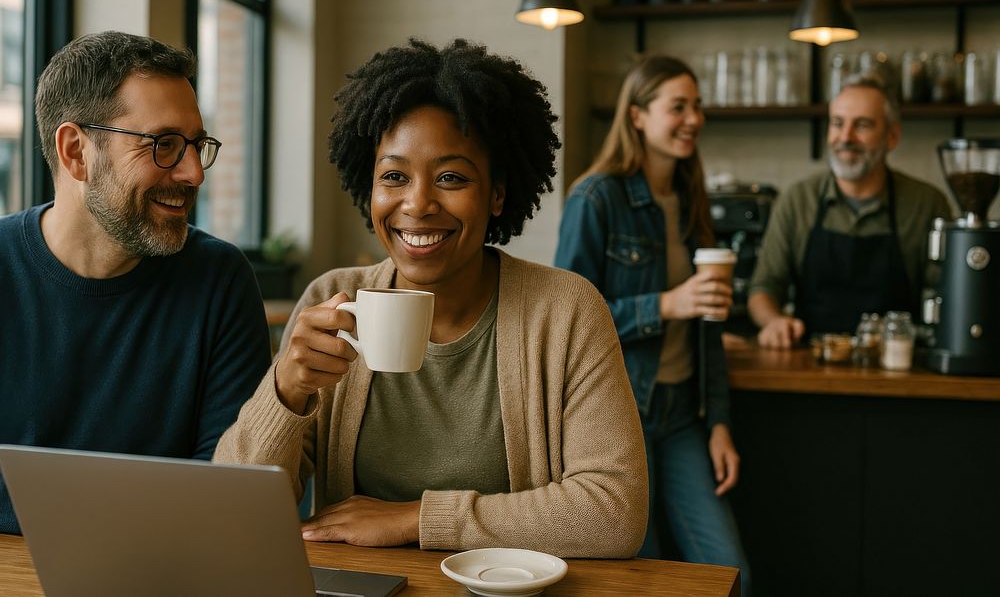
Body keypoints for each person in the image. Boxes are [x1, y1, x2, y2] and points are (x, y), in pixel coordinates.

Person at [214, 38, 648, 558]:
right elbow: (232, 510)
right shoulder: (333, 299)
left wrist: (413, 519)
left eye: (451, 178)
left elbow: (614, 513)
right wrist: (286, 392)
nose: (417, 204)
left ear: (497, 193)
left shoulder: (567, 311)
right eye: (393, 176)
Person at [0, 31, 272, 535]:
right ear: (76, 152)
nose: (194, 173)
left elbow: (225, 499)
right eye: (164, 145)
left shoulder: (219, 280)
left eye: (195, 145)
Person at [553, 55, 751, 592]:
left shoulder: (690, 198)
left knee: (730, 574)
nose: (694, 119)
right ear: (637, 116)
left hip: (684, 414)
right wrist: (665, 305)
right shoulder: (595, 198)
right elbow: (565, 325)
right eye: (678, 107)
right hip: (621, 417)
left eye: (698, 107)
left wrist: (720, 422)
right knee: (645, 579)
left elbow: (706, 325)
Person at [748, 74, 951, 348]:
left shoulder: (926, 204)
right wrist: (773, 321)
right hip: (811, 363)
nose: (845, 137)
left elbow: (947, 296)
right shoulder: (797, 200)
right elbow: (764, 288)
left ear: (892, 137)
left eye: (862, 125)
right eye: (837, 123)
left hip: (899, 369)